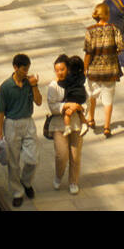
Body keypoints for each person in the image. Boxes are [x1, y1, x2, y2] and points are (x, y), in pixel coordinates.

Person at [0, 54, 42, 207]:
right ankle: (17, 192)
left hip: (28, 122)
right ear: (15, 67)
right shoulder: (6, 87)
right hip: (11, 123)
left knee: (33, 158)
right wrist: (0, 133)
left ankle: (26, 181)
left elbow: (39, 102)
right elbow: (0, 112)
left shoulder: (29, 83)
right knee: (13, 162)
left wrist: (34, 86)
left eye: (27, 69)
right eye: (23, 69)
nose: (26, 72)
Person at [83, 2, 124, 137]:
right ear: (107, 15)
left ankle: (91, 119)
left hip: (94, 71)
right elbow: (121, 47)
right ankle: (107, 127)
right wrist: (111, 54)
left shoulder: (90, 31)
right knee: (108, 100)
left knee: (91, 96)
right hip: (110, 71)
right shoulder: (114, 29)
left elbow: (88, 53)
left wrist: (85, 68)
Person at [48, 54, 83, 195]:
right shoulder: (53, 86)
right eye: (57, 70)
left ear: (68, 69)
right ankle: (58, 175)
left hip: (76, 124)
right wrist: (67, 105)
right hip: (59, 125)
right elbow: (52, 106)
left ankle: (73, 181)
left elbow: (84, 99)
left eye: (62, 69)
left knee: (75, 155)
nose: (59, 72)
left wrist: (77, 107)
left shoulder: (77, 82)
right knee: (61, 155)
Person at [59, 55, 88, 136]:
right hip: (81, 96)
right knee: (79, 111)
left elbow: (62, 84)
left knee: (67, 113)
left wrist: (58, 81)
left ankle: (67, 127)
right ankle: (84, 124)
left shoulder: (68, 77)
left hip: (72, 96)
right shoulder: (82, 76)